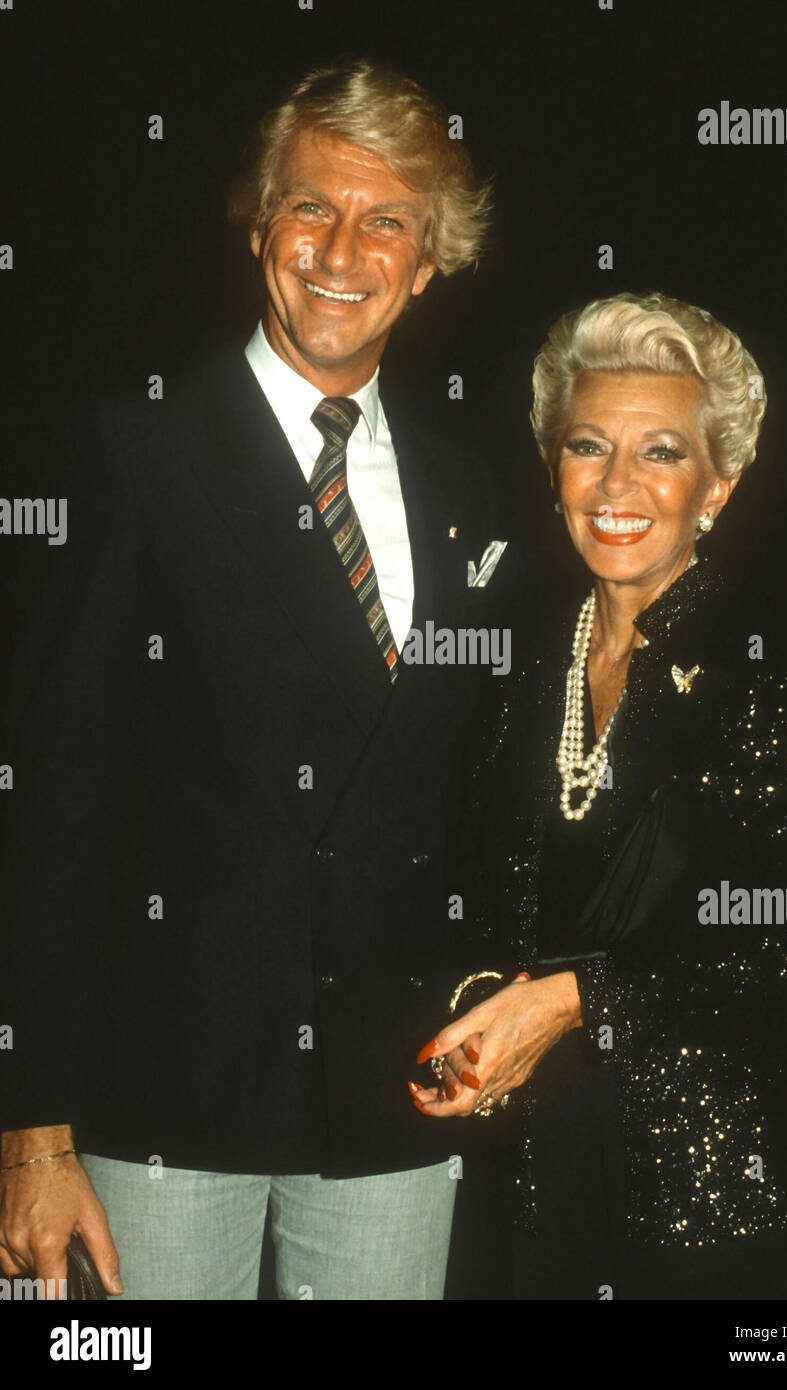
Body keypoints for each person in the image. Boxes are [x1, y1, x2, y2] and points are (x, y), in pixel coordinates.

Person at [0, 58, 500, 1300]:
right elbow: (49, 810)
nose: (341, 247)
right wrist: (32, 1133)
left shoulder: (473, 494)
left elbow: (477, 809)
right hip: (149, 1115)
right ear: (260, 224)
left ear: (428, 261)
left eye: (385, 219)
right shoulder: (127, 451)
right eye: (309, 207)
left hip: (394, 1105)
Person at [411, 292, 787, 1299]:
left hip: (717, 1190)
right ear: (552, 467)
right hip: (541, 1177)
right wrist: (480, 1011)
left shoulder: (755, 663)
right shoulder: (525, 659)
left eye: (659, 452)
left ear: (717, 486)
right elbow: (493, 896)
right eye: (586, 447)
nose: (614, 485)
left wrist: (576, 1000)